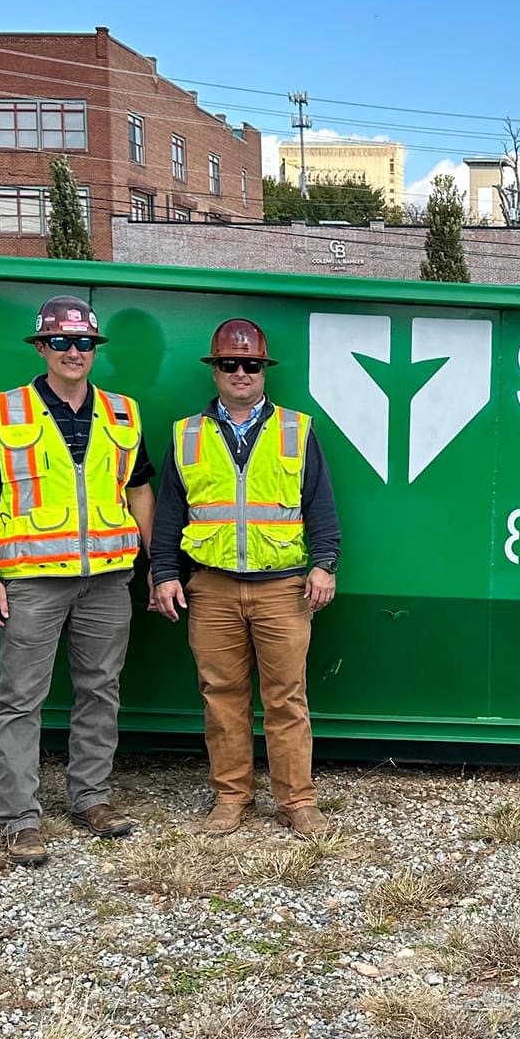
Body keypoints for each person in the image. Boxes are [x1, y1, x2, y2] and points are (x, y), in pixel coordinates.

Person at [0, 295, 156, 867]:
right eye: (62, 342)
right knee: (21, 698)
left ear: (95, 350)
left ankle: (90, 798)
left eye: (85, 343)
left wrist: (155, 565)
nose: (74, 353)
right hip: (31, 581)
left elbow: (140, 488)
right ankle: (19, 818)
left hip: (107, 580)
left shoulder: (124, 412)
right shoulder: (7, 411)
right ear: (42, 347)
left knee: (101, 689)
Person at [150, 318, 340, 839]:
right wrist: (163, 573)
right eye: (229, 364)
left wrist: (325, 563)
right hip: (209, 588)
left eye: (250, 364)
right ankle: (230, 797)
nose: (240, 372)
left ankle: (297, 802)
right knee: (221, 694)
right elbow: (170, 512)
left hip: (282, 587)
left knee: (286, 698)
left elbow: (319, 503)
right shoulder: (186, 434)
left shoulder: (296, 430)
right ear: (215, 371)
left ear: (263, 371)